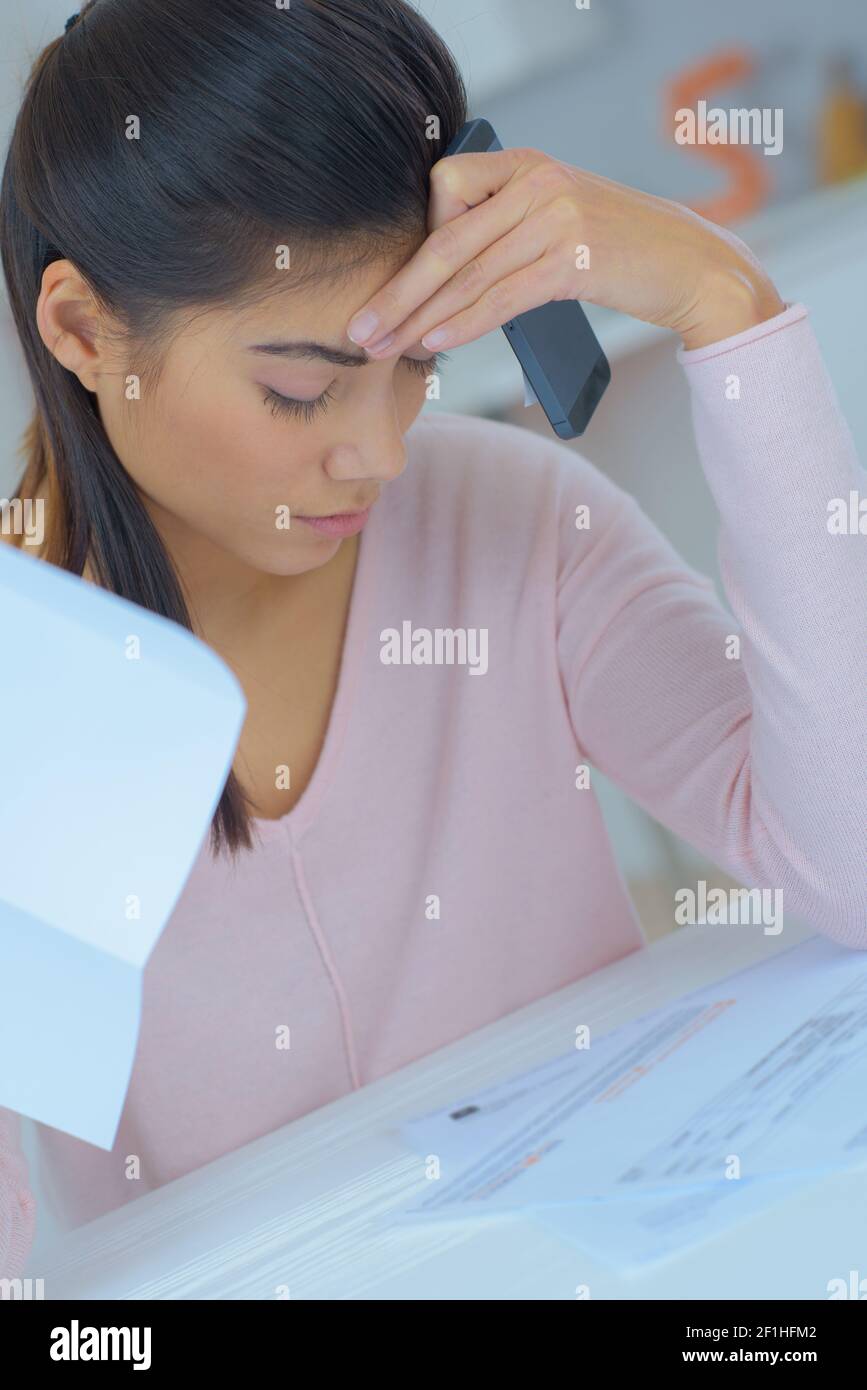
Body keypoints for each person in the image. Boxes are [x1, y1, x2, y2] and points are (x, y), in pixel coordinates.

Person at [0, 0, 864, 1281]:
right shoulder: (28, 683)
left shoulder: (512, 518)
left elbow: (845, 866)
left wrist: (724, 300)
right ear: (81, 333)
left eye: (416, 365)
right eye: (299, 389)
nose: (381, 453)